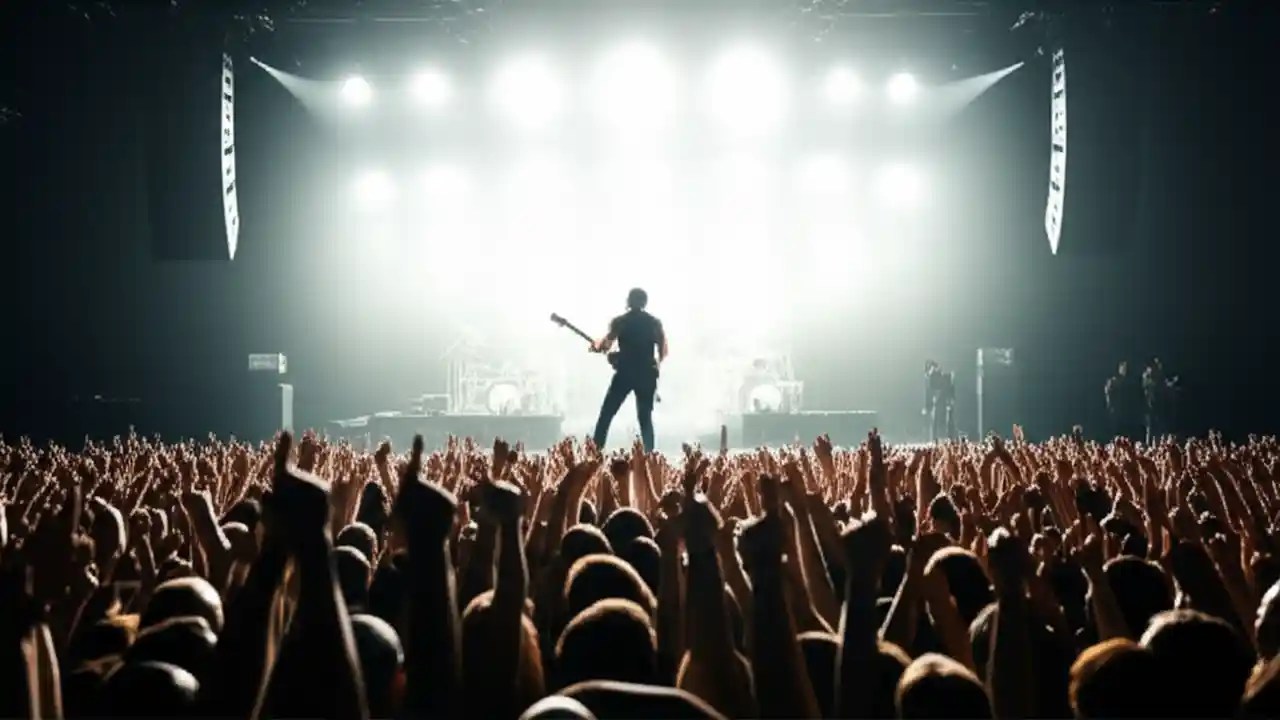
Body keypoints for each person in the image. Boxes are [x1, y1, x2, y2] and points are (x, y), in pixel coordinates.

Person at [590, 288, 667, 452]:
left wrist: (599, 348)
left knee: (606, 414)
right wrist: (654, 369)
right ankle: (649, 456)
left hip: (625, 374)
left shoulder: (621, 322)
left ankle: (594, 453)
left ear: (629, 301)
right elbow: (663, 352)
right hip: (647, 375)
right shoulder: (654, 323)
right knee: (645, 418)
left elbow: (605, 345)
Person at [1104, 361, 1143, 440]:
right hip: (1118, 412)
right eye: (1123, 368)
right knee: (1118, 434)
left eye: (1127, 368)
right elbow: (1109, 395)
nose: (1125, 370)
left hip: (1129, 413)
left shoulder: (1133, 382)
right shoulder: (1114, 382)